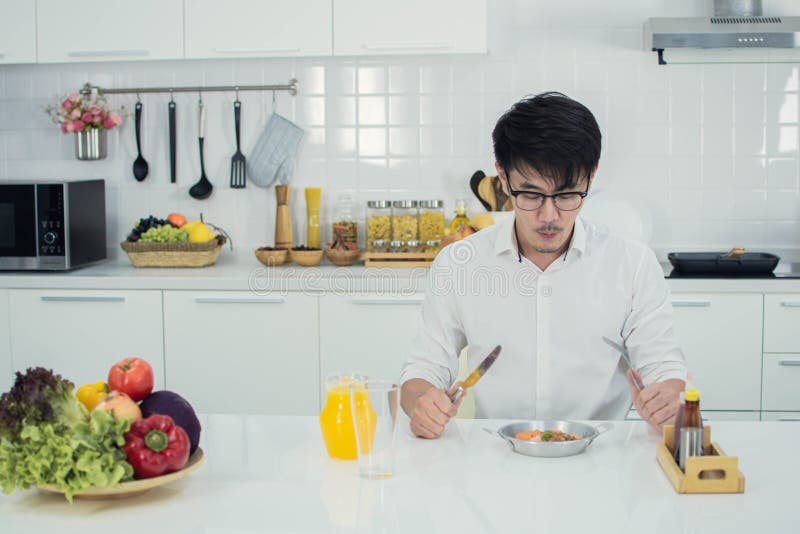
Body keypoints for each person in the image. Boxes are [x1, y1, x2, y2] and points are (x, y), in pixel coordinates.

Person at [399, 92, 687, 439]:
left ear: (591, 178)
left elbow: (664, 366)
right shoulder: (460, 263)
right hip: (495, 457)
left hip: (604, 458)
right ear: (503, 179)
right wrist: (421, 403)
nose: (549, 217)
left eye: (567, 195)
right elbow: (424, 368)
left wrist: (670, 398)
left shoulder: (632, 263)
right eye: (531, 195)